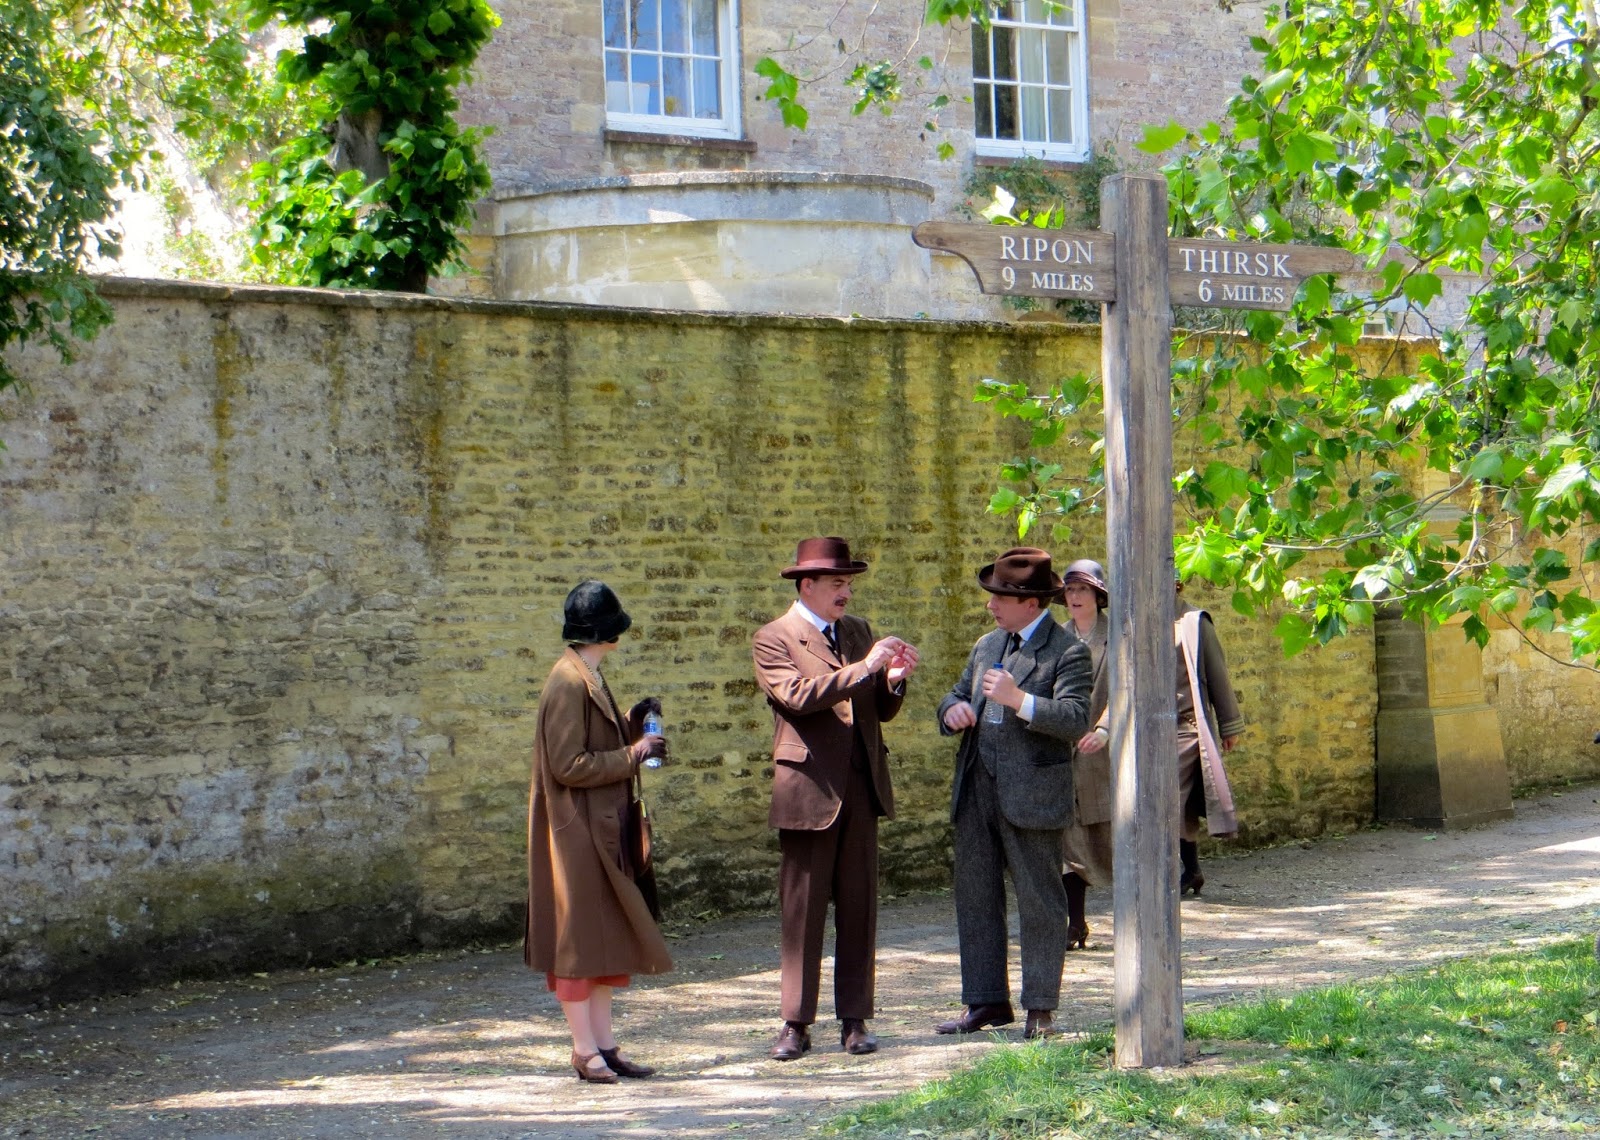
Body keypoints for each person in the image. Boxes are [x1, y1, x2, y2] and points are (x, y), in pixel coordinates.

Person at [752, 536, 919, 1061]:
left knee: (858, 907)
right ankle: (795, 1023)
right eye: (837, 584)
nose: (846, 593)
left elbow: (874, 710)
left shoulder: (858, 633)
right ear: (807, 586)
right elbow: (799, 698)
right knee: (801, 914)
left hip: (861, 788)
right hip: (808, 792)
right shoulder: (774, 638)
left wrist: (892, 681)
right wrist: (868, 668)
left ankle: (855, 1019)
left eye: (849, 583)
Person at [934, 547, 1092, 1041]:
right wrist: (951, 712)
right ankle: (985, 1001)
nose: (991, 605)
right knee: (976, 897)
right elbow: (958, 692)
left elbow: (1074, 719)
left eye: (1000, 596)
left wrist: (1019, 700)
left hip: (1034, 793)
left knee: (1041, 902)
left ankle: (1039, 1008)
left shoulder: (1068, 650)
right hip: (978, 787)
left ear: (1030, 602)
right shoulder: (987, 644)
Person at [525, 579, 673, 1084]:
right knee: (578, 946)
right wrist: (634, 754)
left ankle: (605, 1047)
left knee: (605, 941)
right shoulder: (567, 681)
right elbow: (569, 764)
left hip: (598, 828)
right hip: (576, 833)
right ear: (607, 632)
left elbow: (592, 742)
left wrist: (632, 722)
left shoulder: (585, 672)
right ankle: (584, 1051)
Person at [1080, 577, 1245, 895]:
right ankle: (1191, 870)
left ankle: (1163, 876)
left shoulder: (1195, 623)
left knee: (1166, 800)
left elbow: (1217, 674)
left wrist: (1229, 726)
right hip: (1145, 730)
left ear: (1177, 585)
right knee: (1170, 804)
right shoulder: (1137, 622)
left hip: (1184, 729)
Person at [1058, 558, 1110, 950]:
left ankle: (1137, 914)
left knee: (1110, 837)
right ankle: (1075, 923)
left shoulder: (1118, 638)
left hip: (1108, 757)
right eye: (1070, 590)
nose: (1075, 597)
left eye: (1083, 590)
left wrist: (1106, 728)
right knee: (1067, 840)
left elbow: (1128, 689)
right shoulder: (1057, 640)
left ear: (1098, 595)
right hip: (1065, 754)